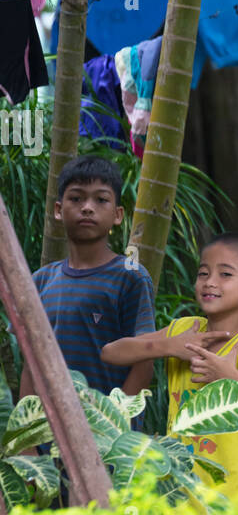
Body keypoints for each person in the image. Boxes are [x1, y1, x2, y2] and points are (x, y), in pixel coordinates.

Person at [101, 234, 238, 508]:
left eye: (225, 274)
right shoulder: (183, 330)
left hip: (236, 510)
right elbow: (111, 352)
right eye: (203, 273)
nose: (210, 282)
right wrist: (168, 346)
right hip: (178, 502)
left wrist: (229, 376)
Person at [20, 155, 155, 409]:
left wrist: (115, 424)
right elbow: (31, 362)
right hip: (48, 433)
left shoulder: (130, 277)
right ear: (58, 210)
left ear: (117, 215)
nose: (87, 207)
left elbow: (144, 361)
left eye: (100, 199)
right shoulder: (40, 281)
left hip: (107, 437)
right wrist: (26, 442)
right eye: (76, 198)